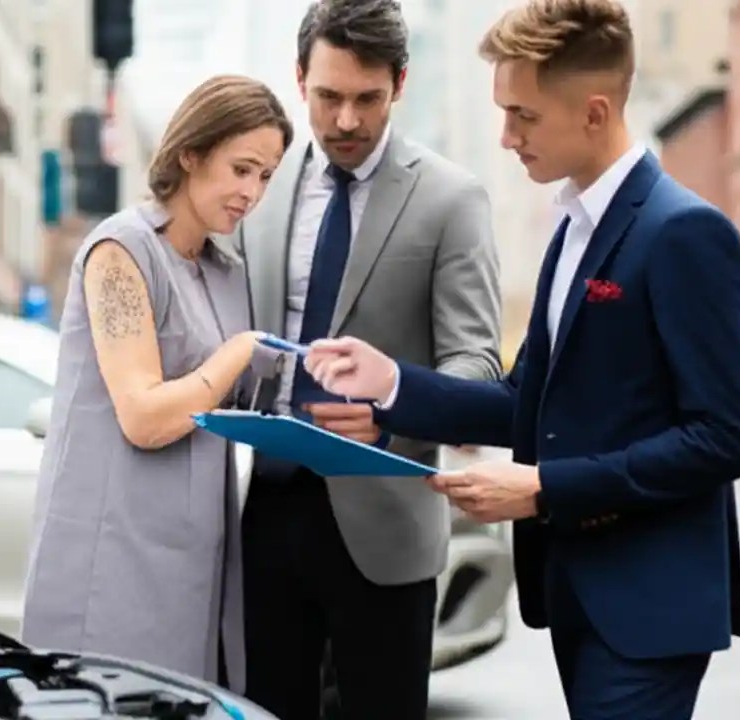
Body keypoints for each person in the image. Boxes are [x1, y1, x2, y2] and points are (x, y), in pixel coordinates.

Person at [301, 1, 740, 717]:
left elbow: (725, 439)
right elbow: (527, 400)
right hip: (578, 591)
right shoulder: (573, 227)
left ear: (595, 112)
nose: (507, 136)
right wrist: (391, 383)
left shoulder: (685, 233)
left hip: (650, 604)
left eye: (523, 115)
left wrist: (545, 488)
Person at [231, 1, 501, 716]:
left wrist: (393, 405)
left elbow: (477, 362)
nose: (346, 120)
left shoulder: (451, 198)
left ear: (400, 84)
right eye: (328, 97)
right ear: (299, 79)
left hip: (385, 524)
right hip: (261, 511)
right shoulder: (259, 188)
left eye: (366, 99)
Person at [20, 74, 293, 689]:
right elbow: (144, 417)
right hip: (113, 556)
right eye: (241, 168)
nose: (252, 193)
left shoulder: (227, 270)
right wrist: (242, 352)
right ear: (191, 153)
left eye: (267, 176)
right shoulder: (119, 251)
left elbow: (229, 401)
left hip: (195, 560)